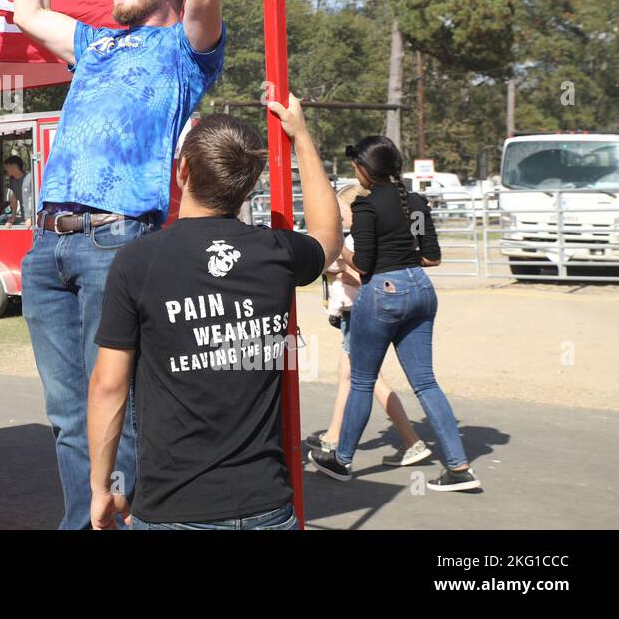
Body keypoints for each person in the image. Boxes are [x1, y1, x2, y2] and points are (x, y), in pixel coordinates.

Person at [12, 0, 226, 529]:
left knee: (118, 402)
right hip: (48, 246)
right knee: (67, 413)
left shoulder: (185, 50)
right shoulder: (96, 45)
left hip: (116, 238)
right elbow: (26, 9)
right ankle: (88, 521)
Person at [88, 100, 340, 530]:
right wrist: (300, 136)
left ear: (182, 170)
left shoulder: (138, 261)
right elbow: (329, 235)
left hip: (173, 510)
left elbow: (109, 385)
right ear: (249, 187)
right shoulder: (274, 252)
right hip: (266, 507)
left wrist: (100, 488)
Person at [308, 136, 480, 492]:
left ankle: (340, 460)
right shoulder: (416, 201)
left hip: (384, 292)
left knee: (361, 380)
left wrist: (338, 247)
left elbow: (366, 264)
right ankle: (459, 468)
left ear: (364, 171)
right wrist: (401, 262)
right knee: (426, 382)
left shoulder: (366, 206)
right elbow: (432, 257)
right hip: (421, 289)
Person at [304, 183, 430, 465]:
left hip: (359, 313)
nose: (339, 217)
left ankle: (411, 440)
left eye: (342, 212)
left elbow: (365, 276)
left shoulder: (360, 240)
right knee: (347, 374)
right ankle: (334, 436)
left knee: (368, 380)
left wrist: (340, 270)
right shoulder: (359, 238)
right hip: (354, 315)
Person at [3, 155, 33, 227]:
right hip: (24, 220)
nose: (6, 169)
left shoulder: (30, 178)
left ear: (14, 166)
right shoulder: (12, 180)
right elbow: (13, 200)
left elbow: (35, 199)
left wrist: (31, 218)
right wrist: (13, 217)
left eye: (7, 167)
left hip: (32, 220)